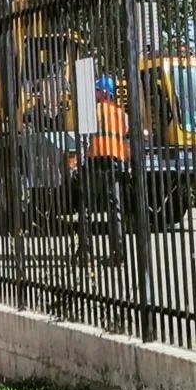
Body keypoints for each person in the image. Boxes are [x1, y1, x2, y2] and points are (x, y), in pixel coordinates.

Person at [78, 76, 130, 268]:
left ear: (103, 92)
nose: (94, 93)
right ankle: (119, 253)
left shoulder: (94, 111)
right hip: (115, 164)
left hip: (95, 163)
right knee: (115, 209)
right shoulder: (121, 114)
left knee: (86, 209)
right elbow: (126, 140)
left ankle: (86, 252)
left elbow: (84, 139)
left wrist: (78, 163)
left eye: (96, 90)